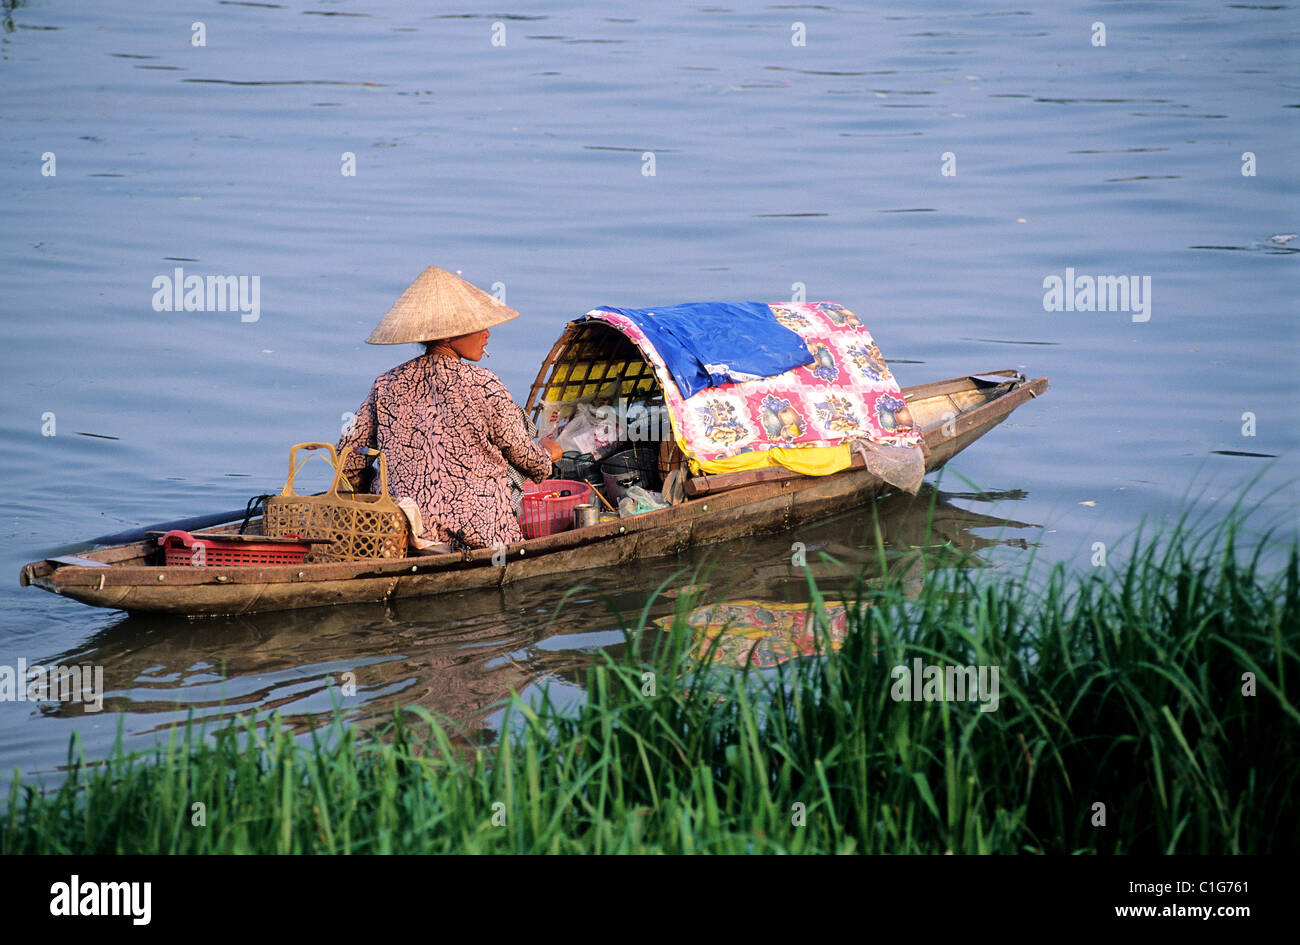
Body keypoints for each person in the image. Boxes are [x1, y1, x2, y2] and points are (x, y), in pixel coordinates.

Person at [337, 265, 563, 550]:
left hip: (401, 531)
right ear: (447, 336)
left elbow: (346, 461)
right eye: (478, 326)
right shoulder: (484, 384)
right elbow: (527, 458)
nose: (487, 334)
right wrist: (546, 453)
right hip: (483, 536)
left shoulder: (385, 384)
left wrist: (379, 486)